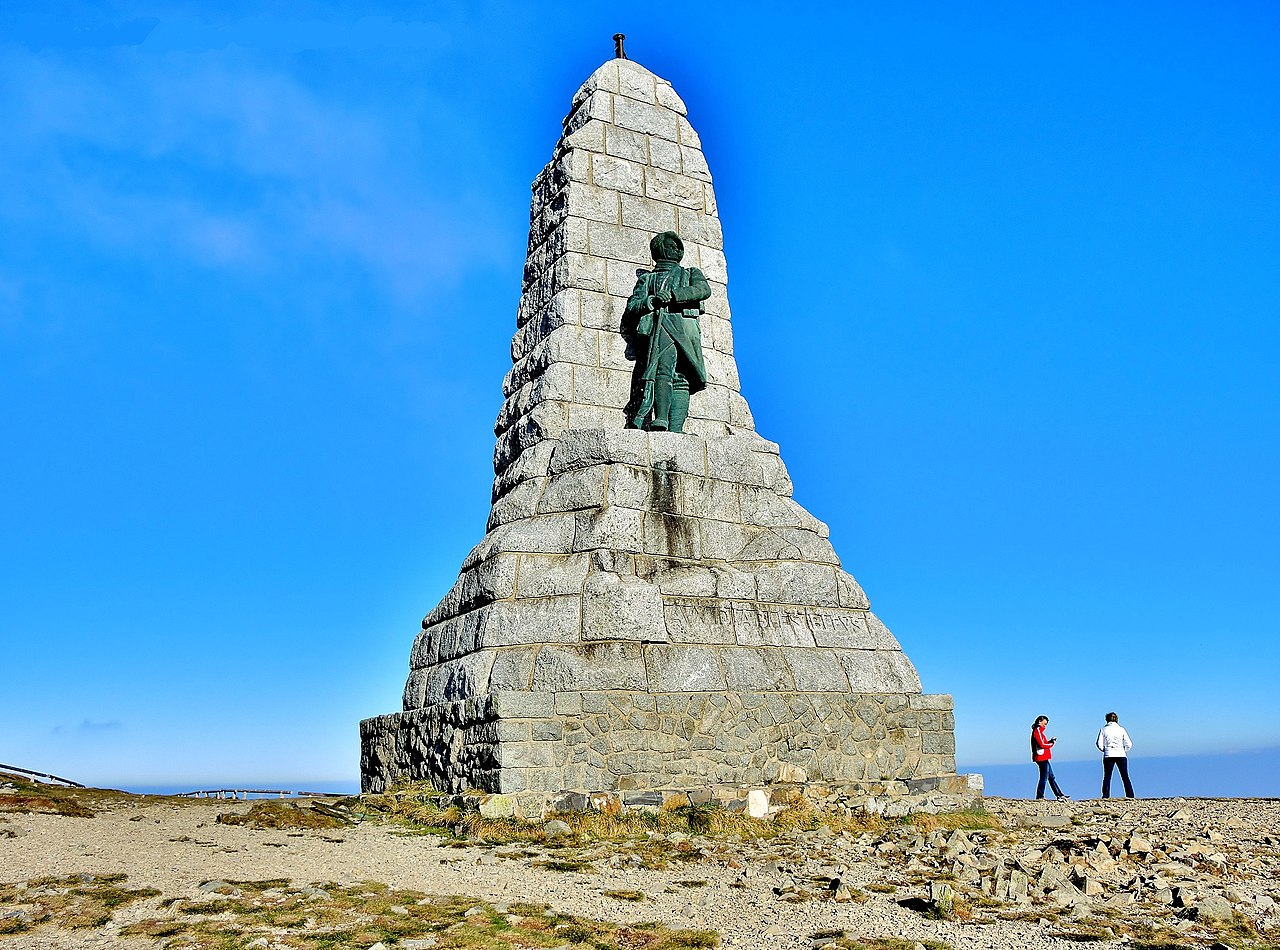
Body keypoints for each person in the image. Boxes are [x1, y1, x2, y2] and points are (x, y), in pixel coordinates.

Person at [624, 231, 710, 433]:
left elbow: (703, 290)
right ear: (659, 250)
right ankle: (660, 418)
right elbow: (633, 306)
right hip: (661, 328)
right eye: (670, 246)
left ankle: (676, 427)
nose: (675, 250)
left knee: (683, 378)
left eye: (676, 246)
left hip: (685, 330)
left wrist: (673, 296)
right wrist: (650, 301)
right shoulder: (647, 280)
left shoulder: (690, 273)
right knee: (663, 369)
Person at [1096, 711, 1135, 798]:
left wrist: (1105, 750)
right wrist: (1123, 750)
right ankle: (1130, 795)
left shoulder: (1103, 730)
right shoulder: (1121, 729)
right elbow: (1129, 743)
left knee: (1107, 776)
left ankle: (1106, 795)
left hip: (1109, 754)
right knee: (1125, 776)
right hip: (1121, 754)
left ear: (1106, 720)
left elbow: (1098, 743)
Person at [1031, 715, 1070, 800]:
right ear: (1039, 722)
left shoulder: (1039, 732)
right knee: (1044, 777)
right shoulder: (1037, 731)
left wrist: (1050, 742)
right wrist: (1051, 743)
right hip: (1041, 757)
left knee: (1051, 777)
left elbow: (1042, 743)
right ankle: (1040, 796)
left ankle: (1059, 795)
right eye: (1044, 724)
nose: (1045, 726)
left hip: (1043, 757)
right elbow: (1042, 744)